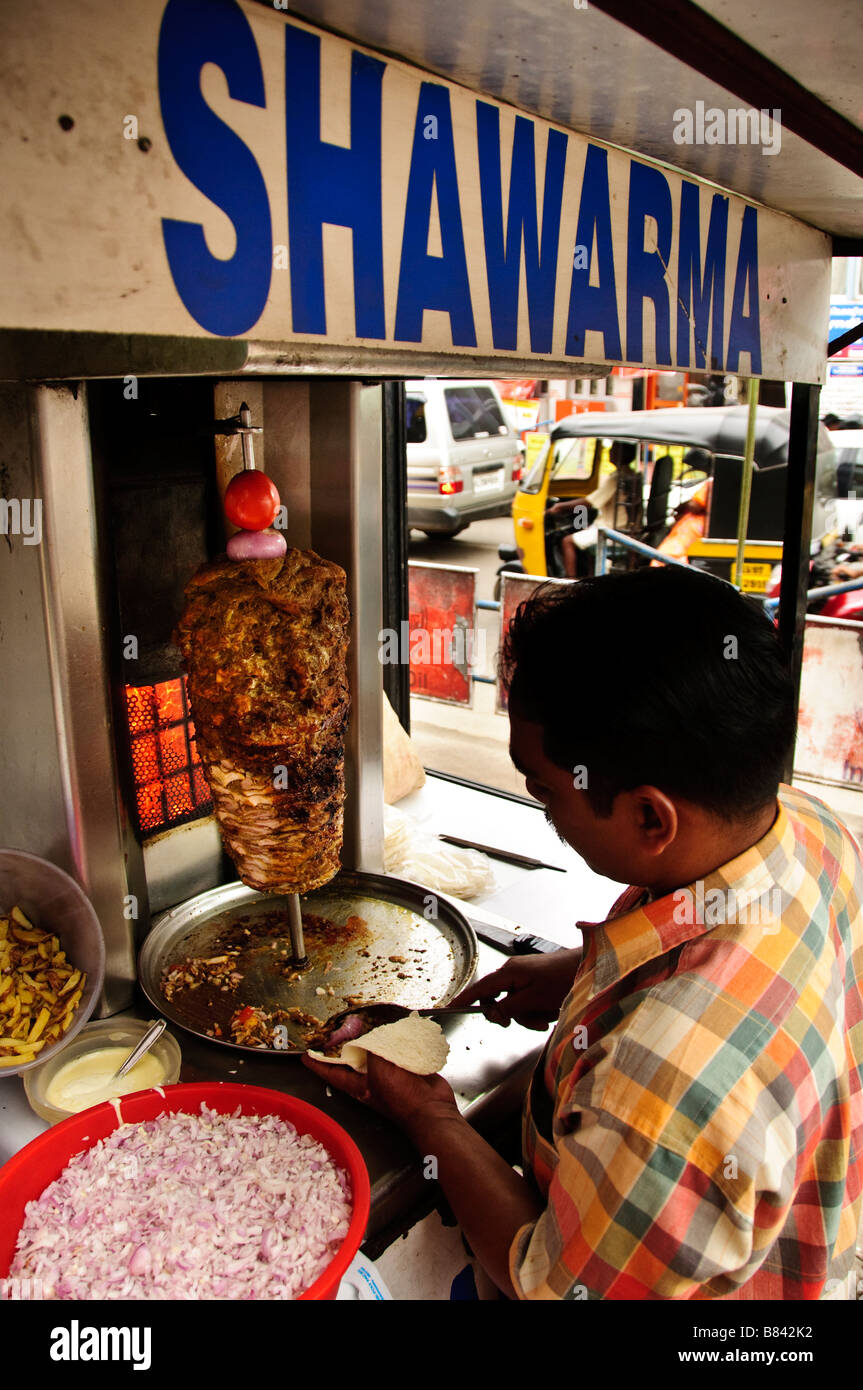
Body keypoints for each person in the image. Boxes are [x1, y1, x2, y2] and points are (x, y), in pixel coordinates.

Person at [304, 567, 863, 1300]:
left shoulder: (661, 1087)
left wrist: (429, 1114)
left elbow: (548, 1282)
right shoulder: (808, 827)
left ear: (649, 819)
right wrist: (583, 971)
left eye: (543, 793)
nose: (546, 814)